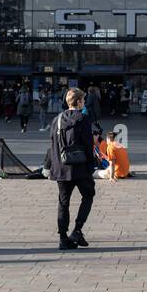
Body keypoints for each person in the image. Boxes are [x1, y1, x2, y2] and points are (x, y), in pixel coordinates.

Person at [50, 87, 97, 250]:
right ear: (78, 102)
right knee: (88, 195)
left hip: (61, 167)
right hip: (80, 166)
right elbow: (88, 144)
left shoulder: (56, 120)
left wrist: (51, 166)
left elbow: (52, 145)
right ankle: (77, 230)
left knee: (63, 202)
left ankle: (63, 238)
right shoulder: (83, 119)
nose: (84, 103)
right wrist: (91, 165)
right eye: (83, 100)